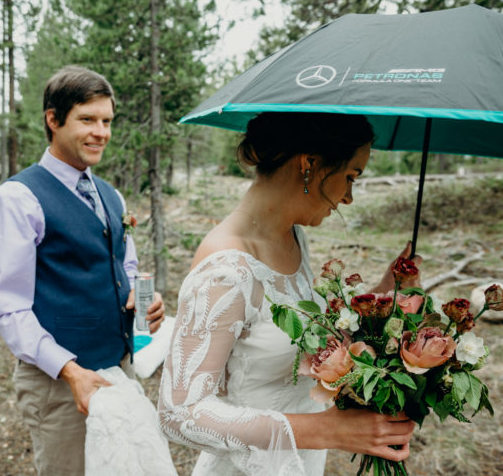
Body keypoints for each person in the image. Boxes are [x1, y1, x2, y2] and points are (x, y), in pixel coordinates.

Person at [157, 112, 418, 475]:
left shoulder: (294, 238)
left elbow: (303, 338)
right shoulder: (226, 269)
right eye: (350, 177)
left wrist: (386, 292)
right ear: (309, 164)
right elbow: (180, 414)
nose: (349, 198)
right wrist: (328, 429)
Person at [0, 65, 165, 476]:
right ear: (53, 120)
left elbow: (122, 262)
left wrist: (139, 295)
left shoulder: (110, 194)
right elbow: (5, 308)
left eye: (107, 121)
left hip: (118, 368)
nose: (101, 132)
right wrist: (69, 371)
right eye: (87, 120)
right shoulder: (17, 199)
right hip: (59, 384)